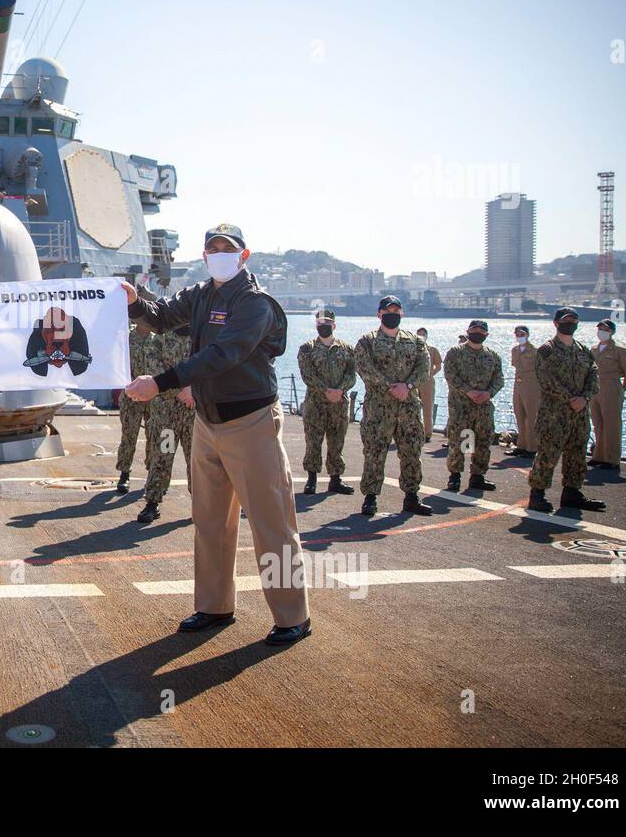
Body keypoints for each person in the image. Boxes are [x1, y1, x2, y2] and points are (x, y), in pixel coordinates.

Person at [123, 223, 311, 647]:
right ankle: (214, 605)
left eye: (228, 249)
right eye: (212, 249)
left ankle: (292, 615)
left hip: (251, 422)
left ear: (244, 256)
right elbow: (161, 316)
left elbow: (223, 354)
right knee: (209, 522)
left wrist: (162, 381)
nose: (218, 254)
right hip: (208, 421)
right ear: (205, 256)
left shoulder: (254, 304)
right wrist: (135, 303)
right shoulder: (202, 294)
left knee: (272, 523)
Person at [354, 296, 433, 517]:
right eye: (388, 310)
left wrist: (407, 386)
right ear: (379, 314)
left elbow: (423, 368)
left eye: (397, 310)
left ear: (402, 313)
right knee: (374, 453)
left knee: (411, 453)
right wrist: (391, 386)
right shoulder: (367, 341)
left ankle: (411, 497)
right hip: (379, 409)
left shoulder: (416, 341)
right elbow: (364, 368)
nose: (393, 314)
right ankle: (370, 499)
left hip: (408, 408)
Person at [527, 307, 604, 513]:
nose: (570, 324)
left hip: (579, 413)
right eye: (566, 320)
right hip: (554, 413)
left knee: (577, 453)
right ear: (556, 323)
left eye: (573, 320)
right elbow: (545, 380)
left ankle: (572, 492)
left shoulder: (583, 350)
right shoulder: (547, 349)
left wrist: (585, 397)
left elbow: (594, 375)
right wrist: (571, 398)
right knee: (548, 453)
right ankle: (537, 494)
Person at [138, 325, 195, 524]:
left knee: (197, 460)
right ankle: (152, 502)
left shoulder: (201, 336)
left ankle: (201, 503)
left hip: (194, 413)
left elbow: (213, 365)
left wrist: (194, 390)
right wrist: (180, 390)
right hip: (167, 413)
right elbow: (154, 368)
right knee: (162, 456)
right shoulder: (159, 338)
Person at [296, 308, 355, 496]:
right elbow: (307, 374)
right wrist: (326, 390)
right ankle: (311, 479)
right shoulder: (307, 348)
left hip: (339, 403)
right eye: (320, 323)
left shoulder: (346, 349)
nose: (324, 326)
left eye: (327, 323)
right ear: (316, 325)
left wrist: (340, 390)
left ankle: (335, 479)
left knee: (337, 442)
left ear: (334, 325)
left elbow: (352, 375)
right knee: (313, 441)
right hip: (315, 404)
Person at [442, 319, 504, 492]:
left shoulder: (493, 356)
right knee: (459, 441)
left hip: (483, 407)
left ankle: (478, 476)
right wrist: (468, 391)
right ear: (468, 331)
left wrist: (488, 393)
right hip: (460, 406)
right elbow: (450, 375)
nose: (478, 333)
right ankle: (455, 476)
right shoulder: (455, 352)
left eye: (481, 331)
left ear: (486, 335)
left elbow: (499, 379)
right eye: (474, 329)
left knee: (483, 441)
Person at [588, 318, 626, 470]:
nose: (602, 332)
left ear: (612, 332)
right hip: (595, 388)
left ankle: (612, 459)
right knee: (598, 423)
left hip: (611, 387)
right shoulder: (593, 349)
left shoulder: (619, 350)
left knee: (612, 424)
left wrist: (621, 389)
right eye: (600, 329)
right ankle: (599, 456)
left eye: (606, 329)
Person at [114, 320, 151, 494]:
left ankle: (153, 473)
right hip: (131, 395)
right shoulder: (126, 337)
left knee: (155, 437)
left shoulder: (160, 337)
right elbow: (117, 363)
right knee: (129, 435)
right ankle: (124, 473)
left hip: (154, 396)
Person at [509, 325, 540, 456]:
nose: (519, 337)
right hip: (518, 383)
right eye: (517, 334)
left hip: (532, 384)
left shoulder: (534, 351)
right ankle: (521, 445)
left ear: (527, 335)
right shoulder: (515, 350)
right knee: (519, 414)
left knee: (532, 416)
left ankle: (532, 447)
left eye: (522, 334)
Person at [415, 327, 441, 442]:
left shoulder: (432, 350)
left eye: (423, 334)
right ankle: (414, 431)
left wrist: (430, 375)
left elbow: (439, 366)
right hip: (414, 382)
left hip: (427, 383)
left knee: (427, 408)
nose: (421, 336)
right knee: (413, 408)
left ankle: (427, 433)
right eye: (419, 334)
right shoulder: (412, 349)